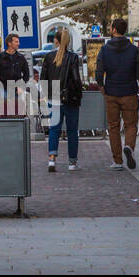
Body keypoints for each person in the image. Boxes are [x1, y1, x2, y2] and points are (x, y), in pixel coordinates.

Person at [96, 17, 139, 170]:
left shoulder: (104, 49)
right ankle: (129, 147)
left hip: (111, 91)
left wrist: (102, 88)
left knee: (113, 126)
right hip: (129, 92)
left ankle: (117, 161)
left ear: (114, 30)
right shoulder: (133, 49)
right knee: (131, 124)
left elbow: (99, 72)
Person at [43, 27, 84, 172]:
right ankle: (72, 162)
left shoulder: (48, 57)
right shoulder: (73, 57)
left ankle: (52, 160)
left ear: (56, 41)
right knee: (72, 130)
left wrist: (48, 94)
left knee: (54, 129)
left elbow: (43, 79)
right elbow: (76, 78)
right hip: (70, 98)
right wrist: (79, 93)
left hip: (53, 97)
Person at [0, 34, 30, 114]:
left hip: (17, 89)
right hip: (3, 89)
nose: (18, 43)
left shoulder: (21, 57)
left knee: (17, 111)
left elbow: (26, 74)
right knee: (4, 111)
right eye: (16, 42)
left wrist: (21, 86)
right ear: (9, 43)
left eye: (18, 42)